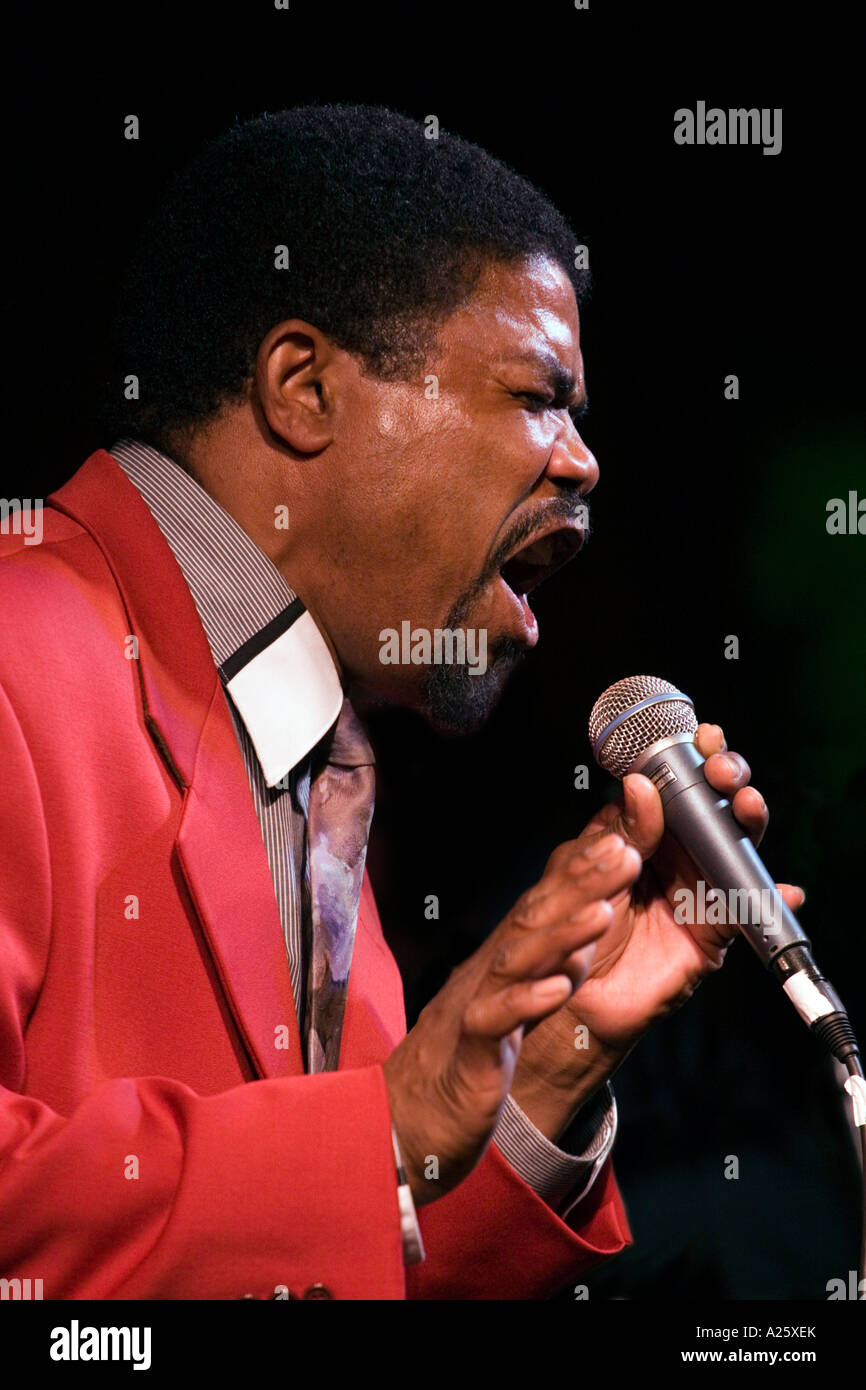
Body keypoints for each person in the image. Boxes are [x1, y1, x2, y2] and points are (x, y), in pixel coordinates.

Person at [0, 104, 803, 1300]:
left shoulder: (307, 745)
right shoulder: (18, 649)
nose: (580, 460)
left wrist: (549, 1065)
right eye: (536, 394)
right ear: (303, 389)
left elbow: (310, 1252)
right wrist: (392, 1121)